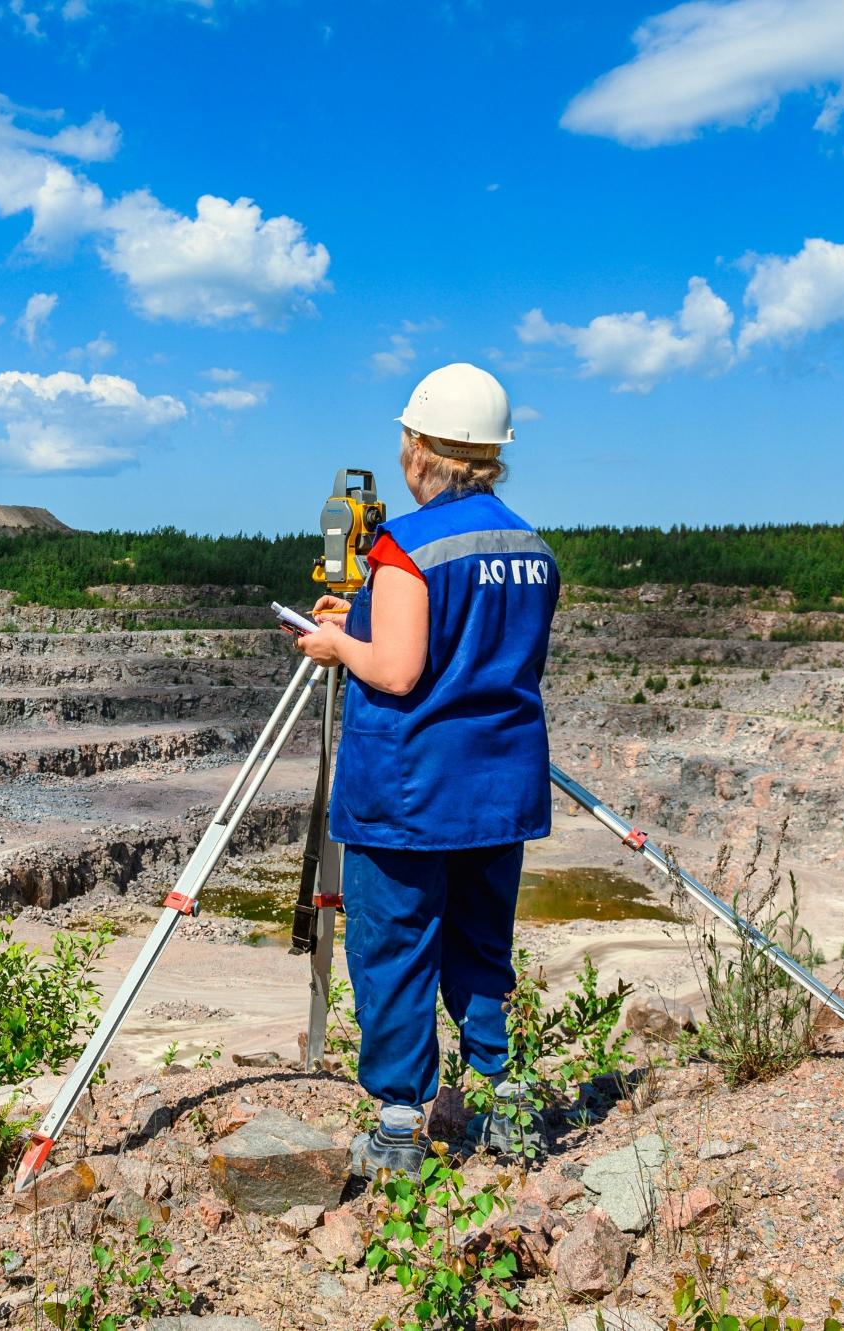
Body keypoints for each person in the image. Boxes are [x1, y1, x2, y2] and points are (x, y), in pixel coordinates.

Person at [293, 361, 560, 1174]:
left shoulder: (405, 544)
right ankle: (507, 1105)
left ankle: (401, 1126)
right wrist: (366, 614)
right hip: (497, 790)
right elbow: (475, 647)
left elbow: (402, 672)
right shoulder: (531, 547)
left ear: (422, 450)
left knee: (396, 946)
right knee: (481, 945)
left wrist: (339, 641)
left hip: (410, 798)